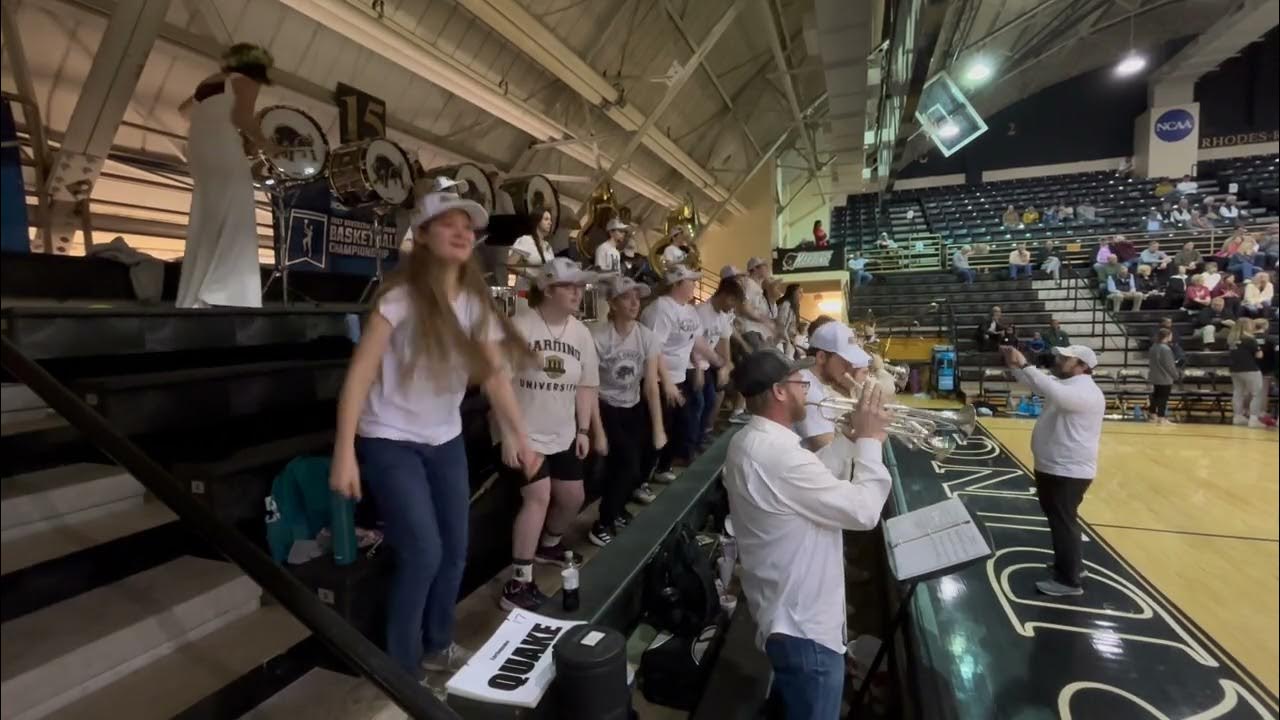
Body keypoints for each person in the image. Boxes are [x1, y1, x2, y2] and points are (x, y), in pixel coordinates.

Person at [329, 181, 537, 676]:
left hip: (443, 440)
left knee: (454, 551)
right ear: (421, 235)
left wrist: (518, 434)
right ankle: (402, 668)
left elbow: (494, 375)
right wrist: (345, 451)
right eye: (448, 223)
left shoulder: (473, 302)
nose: (461, 232)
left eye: (468, 226)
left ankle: (437, 643)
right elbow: (359, 375)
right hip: (389, 439)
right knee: (423, 552)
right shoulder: (399, 298)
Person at [723, 350, 893, 720]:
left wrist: (849, 441)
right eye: (802, 383)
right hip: (804, 627)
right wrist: (870, 442)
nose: (808, 389)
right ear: (780, 392)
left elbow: (811, 478)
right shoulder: (776, 454)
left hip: (786, 614)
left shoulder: (755, 441)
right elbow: (863, 512)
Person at [500, 257, 602, 611]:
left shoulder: (581, 333)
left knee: (573, 498)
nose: (577, 292)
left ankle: (548, 545)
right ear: (547, 288)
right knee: (539, 497)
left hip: (562, 432)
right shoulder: (521, 325)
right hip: (525, 432)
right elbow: (498, 383)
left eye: (579, 286)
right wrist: (511, 435)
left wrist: (585, 428)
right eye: (569, 286)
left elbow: (587, 385)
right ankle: (517, 585)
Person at [176, 43, 279, 309]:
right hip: (222, 148)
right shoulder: (246, 81)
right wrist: (265, 143)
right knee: (236, 214)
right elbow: (242, 116)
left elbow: (184, 111)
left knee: (208, 215)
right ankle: (222, 291)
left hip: (199, 150)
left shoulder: (209, 82)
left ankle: (198, 291)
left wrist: (215, 119)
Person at [999, 343, 1105, 596]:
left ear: (1082, 366)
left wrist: (1025, 364)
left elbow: (1053, 392)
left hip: (1067, 470)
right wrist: (1016, 367)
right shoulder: (1069, 385)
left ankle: (1069, 581)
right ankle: (1070, 565)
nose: (1059, 360)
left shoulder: (1086, 391)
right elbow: (1039, 385)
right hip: (1057, 467)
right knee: (1062, 520)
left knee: (1063, 523)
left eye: (1066, 358)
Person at [588, 277, 666, 547]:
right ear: (612, 303)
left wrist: (658, 428)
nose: (635, 303)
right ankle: (602, 523)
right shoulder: (598, 337)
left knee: (640, 463)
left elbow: (651, 386)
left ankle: (618, 509)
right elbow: (590, 384)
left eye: (637, 297)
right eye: (626, 297)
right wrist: (595, 429)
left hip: (632, 404)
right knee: (626, 463)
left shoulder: (646, 336)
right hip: (604, 404)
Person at [642, 266, 724, 482]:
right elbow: (654, 348)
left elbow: (697, 341)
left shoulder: (688, 310)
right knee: (659, 428)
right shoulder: (661, 309)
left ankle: (663, 467)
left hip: (680, 376)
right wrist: (667, 382)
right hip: (659, 380)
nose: (694, 286)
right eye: (690, 282)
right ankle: (643, 477)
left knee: (680, 426)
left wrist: (718, 362)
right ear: (677, 284)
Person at [795, 322, 872, 453]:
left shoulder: (813, 383)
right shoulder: (810, 391)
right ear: (821, 357)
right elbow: (827, 450)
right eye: (845, 361)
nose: (850, 367)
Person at [693, 279, 742, 447]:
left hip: (708, 365)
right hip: (692, 364)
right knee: (699, 403)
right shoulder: (700, 312)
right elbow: (692, 344)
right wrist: (699, 369)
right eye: (733, 302)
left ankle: (703, 435)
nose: (733, 308)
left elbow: (724, 345)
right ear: (727, 296)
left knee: (711, 398)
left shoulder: (722, 317)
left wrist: (724, 367)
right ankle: (692, 443)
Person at [1226, 319, 1266, 427]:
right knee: (1256, 394)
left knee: (1238, 393)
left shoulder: (1232, 340)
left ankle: (1237, 417)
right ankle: (1253, 419)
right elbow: (1259, 355)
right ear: (1247, 326)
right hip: (1250, 369)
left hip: (1234, 370)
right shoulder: (1249, 339)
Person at [509, 209, 557, 294]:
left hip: (542, 294)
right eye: (546, 219)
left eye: (550, 220)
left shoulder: (548, 246)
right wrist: (532, 276)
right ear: (537, 221)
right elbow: (511, 264)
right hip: (526, 292)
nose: (550, 222)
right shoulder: (526, 240)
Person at [1147, 328, 1179, 425]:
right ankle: (1161, 418)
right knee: (1163, 398)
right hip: (1164, 377)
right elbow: (1169, 365)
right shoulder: (1166, 349)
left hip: (1155, 376)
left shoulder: (1153, 347)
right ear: (1167, 336)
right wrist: (1175, 375)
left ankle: (1152, 414)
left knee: (1156, 396)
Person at [775, 284, 803, 359]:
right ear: (793, 293)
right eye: (799, 292)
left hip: (788, 341)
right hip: (781, 341)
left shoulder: (793, 307)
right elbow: (780, 324)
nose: (802, 295)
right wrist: (788, 342)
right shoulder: (786, 305)